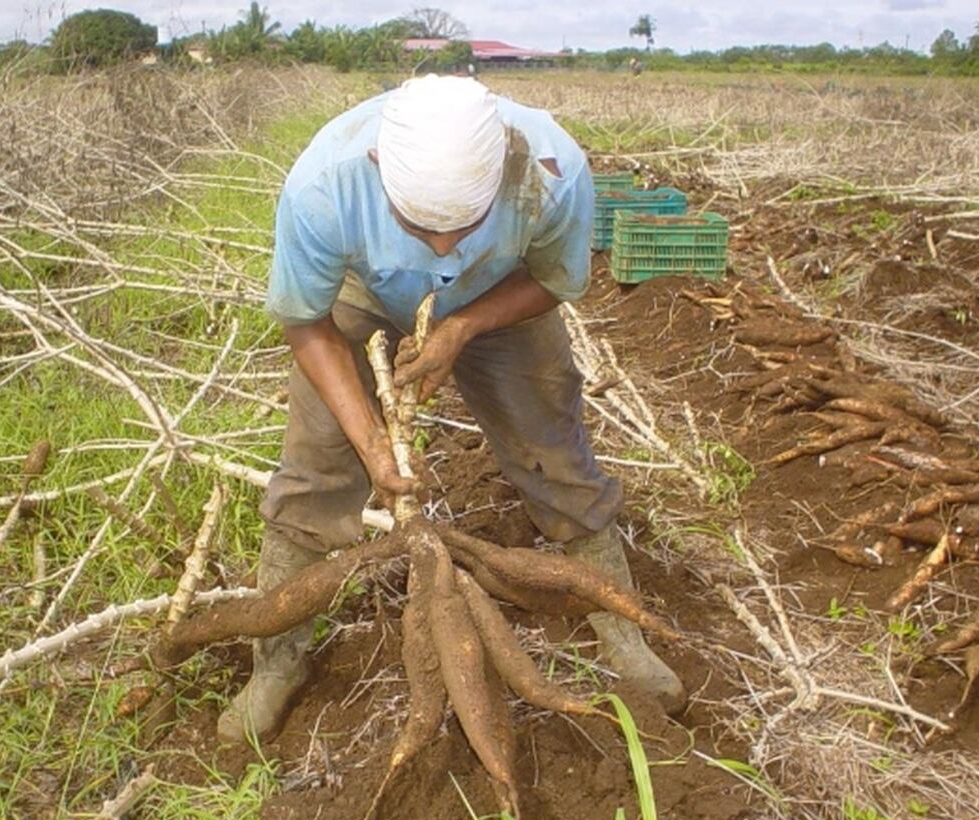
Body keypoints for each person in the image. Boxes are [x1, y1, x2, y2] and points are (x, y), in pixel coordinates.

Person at [217, 75, 686, 744]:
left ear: (500, 177)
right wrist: (371, 442)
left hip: (501, 295)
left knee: (555, 451)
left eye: (464, 225)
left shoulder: (552, 172)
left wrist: (463, 327)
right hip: (357, 294)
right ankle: (277, 665)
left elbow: (554, 279)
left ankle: (621, 630)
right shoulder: (324, 186)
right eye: (419, 226)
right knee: (315, 471)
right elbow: (306, 322)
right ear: (381, 172)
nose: (442, 248)